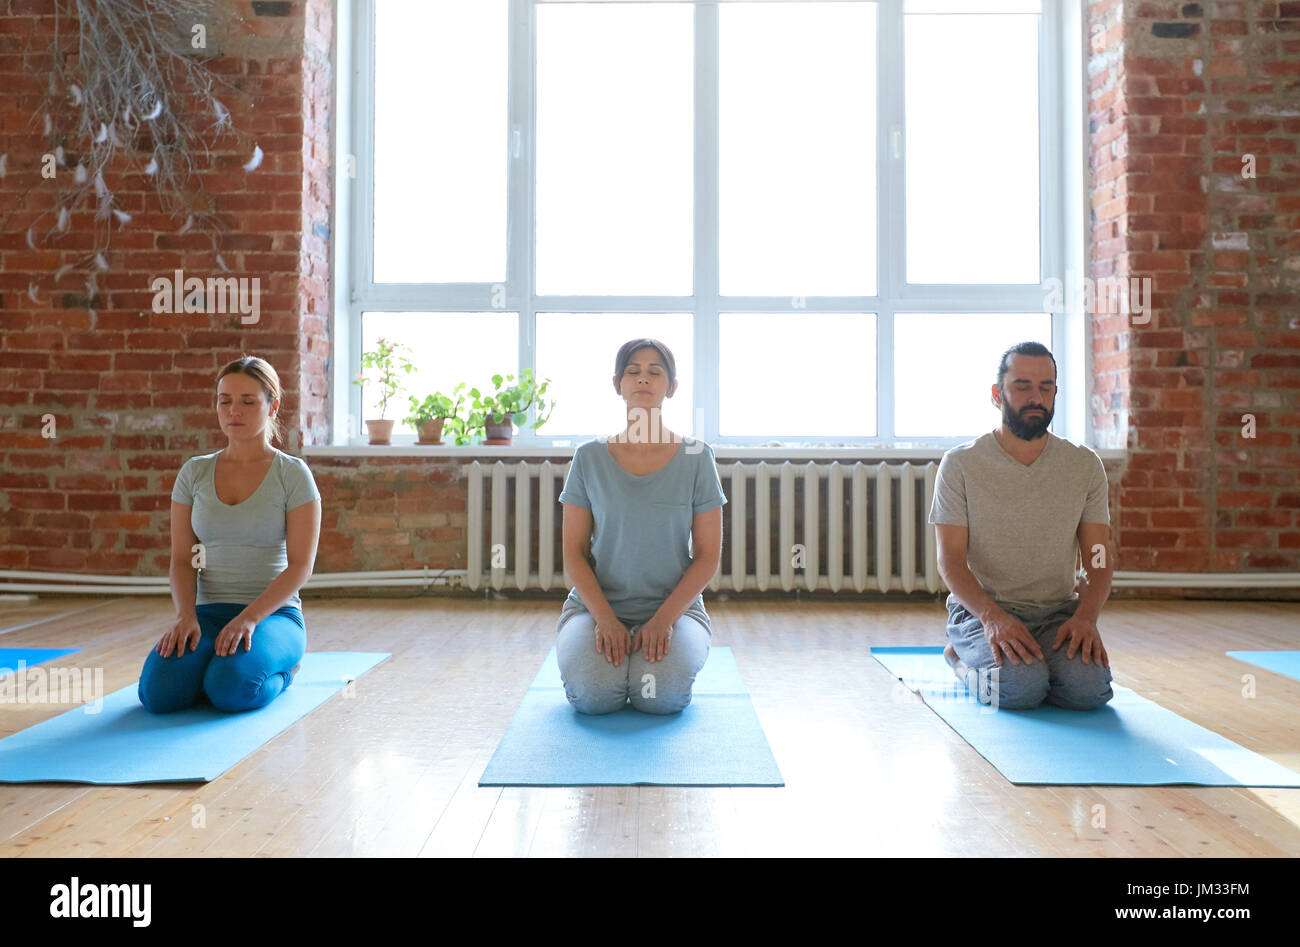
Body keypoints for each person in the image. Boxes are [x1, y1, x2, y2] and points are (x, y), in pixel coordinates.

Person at [929, 341, 1114, 711]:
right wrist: (992, 618)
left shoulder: (1084, 465)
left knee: (1090, 692)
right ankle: (960, 658)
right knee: (1020, 690)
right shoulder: (960, 465)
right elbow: (950, 561)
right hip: (983, 611)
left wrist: (1086, 616)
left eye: (1046, 387)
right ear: (998, 394)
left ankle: (1039, 671)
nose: (1036, 397)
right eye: (1022, 386)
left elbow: (1097, 556)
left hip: (1056, 612)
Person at [138, 356, 322, 713]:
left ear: (273, 405)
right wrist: (184, 616)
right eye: (225, 400)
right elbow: (181, 560)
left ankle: (285, 672)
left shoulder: (293, 475)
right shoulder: (194, 472)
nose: (233, 411)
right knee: (157, 694)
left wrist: (249, 619)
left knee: (231, 690)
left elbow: (301, 567)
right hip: (207, 615)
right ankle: (210, 667)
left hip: (273, 616)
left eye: (248, 401)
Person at [556, 339, 727, 714]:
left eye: (655, 372)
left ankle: (652, 662)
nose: (643, 379)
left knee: (657, 698)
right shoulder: (589, 457)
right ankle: (609, 663)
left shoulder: (697, 458)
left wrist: (664, 621)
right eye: (632, 371)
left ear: (673, 386)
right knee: (596, 697)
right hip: (594, 609)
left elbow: (708, 555)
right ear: (617, 384)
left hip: (676, 611)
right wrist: (605, 620)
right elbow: (573, 552)